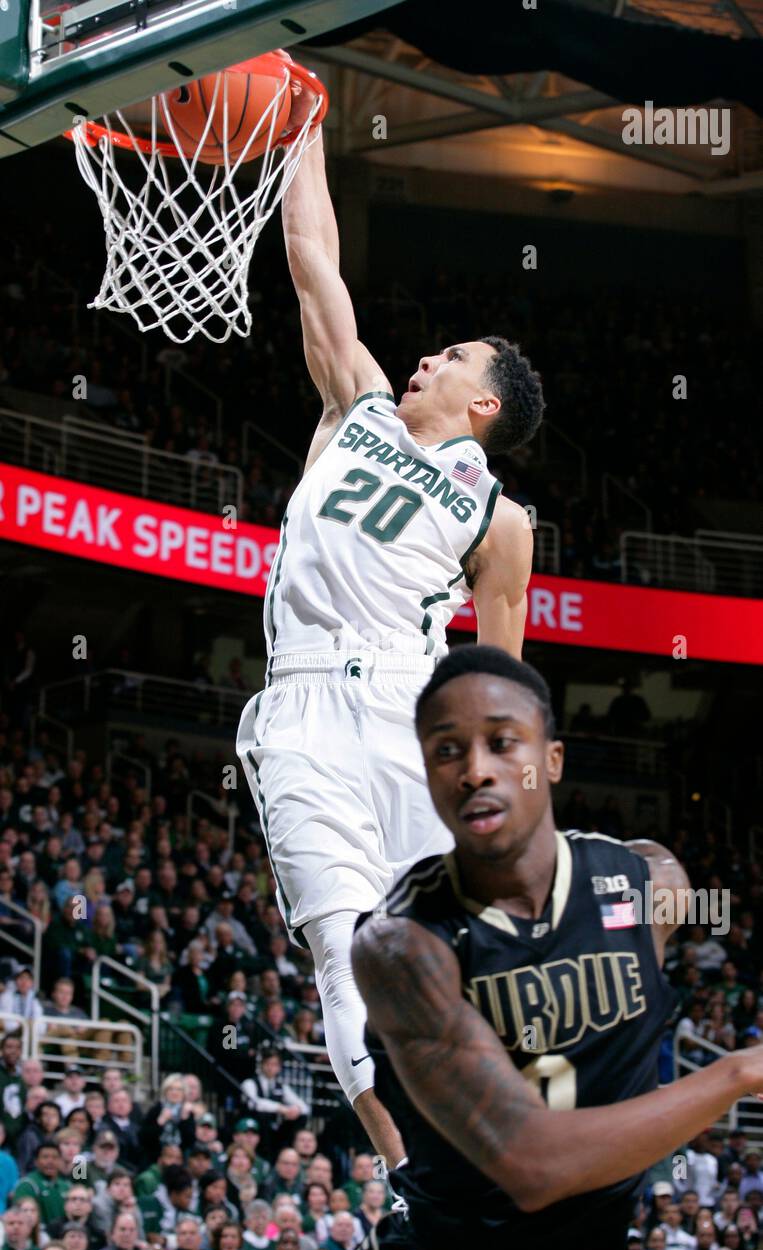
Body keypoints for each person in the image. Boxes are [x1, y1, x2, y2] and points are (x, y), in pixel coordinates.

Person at [236, 67, 543, 1165]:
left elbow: (499, 688)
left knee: (439, 963)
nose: (425, 356)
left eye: (450, 356)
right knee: (344, 952)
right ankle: (416, 1190)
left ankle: (494, 1166)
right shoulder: (353, 407)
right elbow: (313, 265)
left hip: (413, 729)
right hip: (308, 707)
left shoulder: (500, 520)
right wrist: (300, 118)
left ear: (485, 404)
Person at [344, 644, 763, 1250]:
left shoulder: (647, 884)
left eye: (502, 742)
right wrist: (737, 1073)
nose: (475, 771)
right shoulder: (400, 945)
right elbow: (531, 1164)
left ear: (551, 760)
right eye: (446, 751)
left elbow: (658, 893)